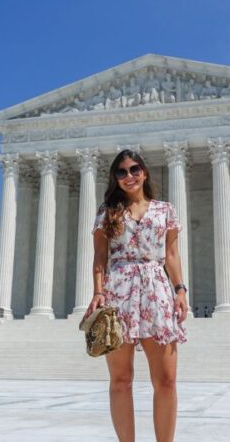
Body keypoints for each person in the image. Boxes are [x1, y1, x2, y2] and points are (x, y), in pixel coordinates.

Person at [85, 149, 189, 442]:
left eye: (133, 169)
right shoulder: (108, 211)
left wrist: (180, 289)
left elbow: (170, 254)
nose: (128, 176)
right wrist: (98, 292)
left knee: (166, 381)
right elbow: (99, 258)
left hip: (156, 290)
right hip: (119, 291)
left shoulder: (164, 210)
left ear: (144, 172)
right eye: (121, 172)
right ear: (115, 178)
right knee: (120, 380)